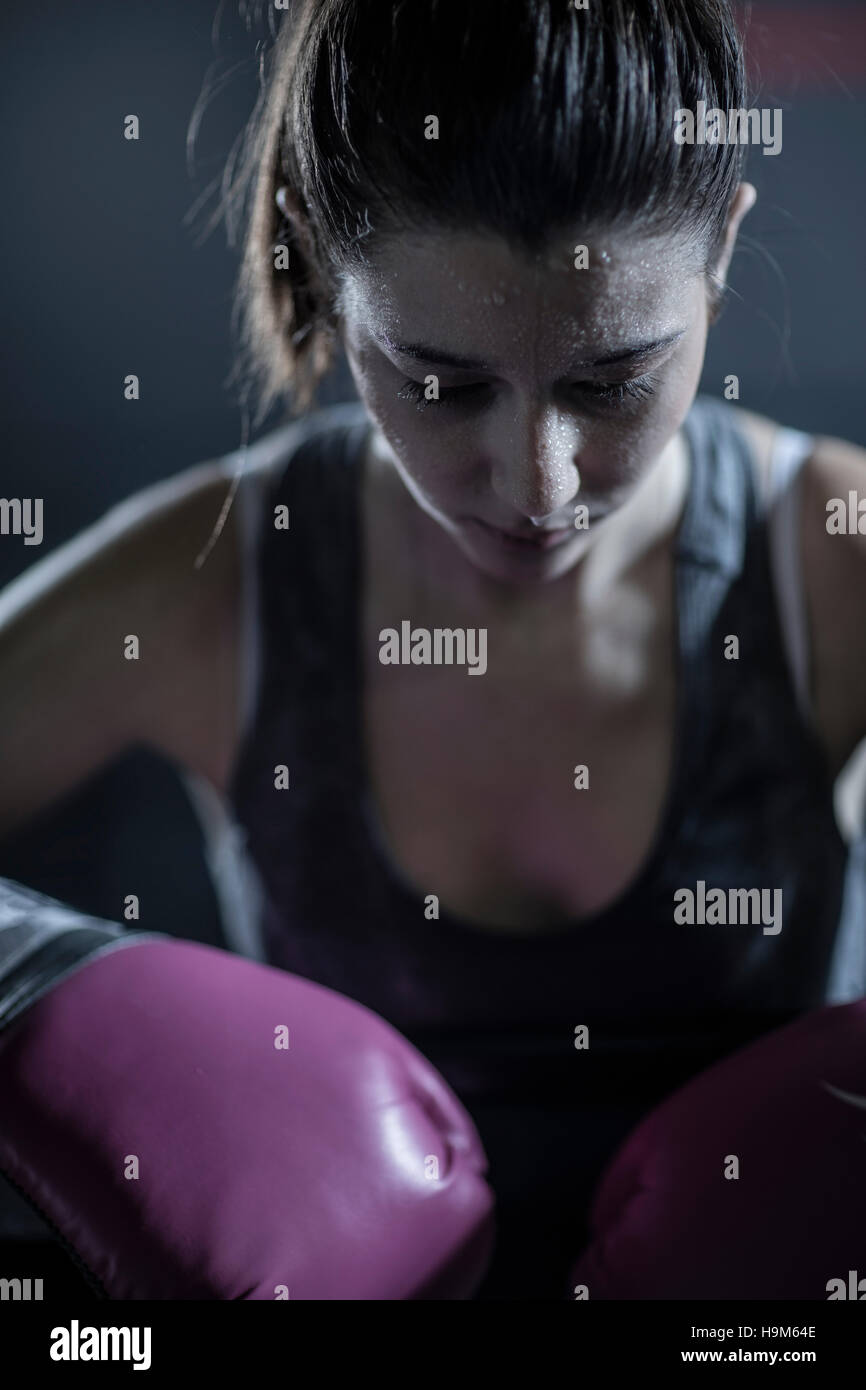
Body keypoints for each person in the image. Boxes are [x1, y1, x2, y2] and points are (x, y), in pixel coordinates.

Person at [0, 0, 864, 1300]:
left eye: (610, 381)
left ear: (721, 256)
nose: (536, 483)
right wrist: (47, 997)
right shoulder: (215, 581)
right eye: (445, 385)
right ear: (314, 255)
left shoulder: (830, 563)